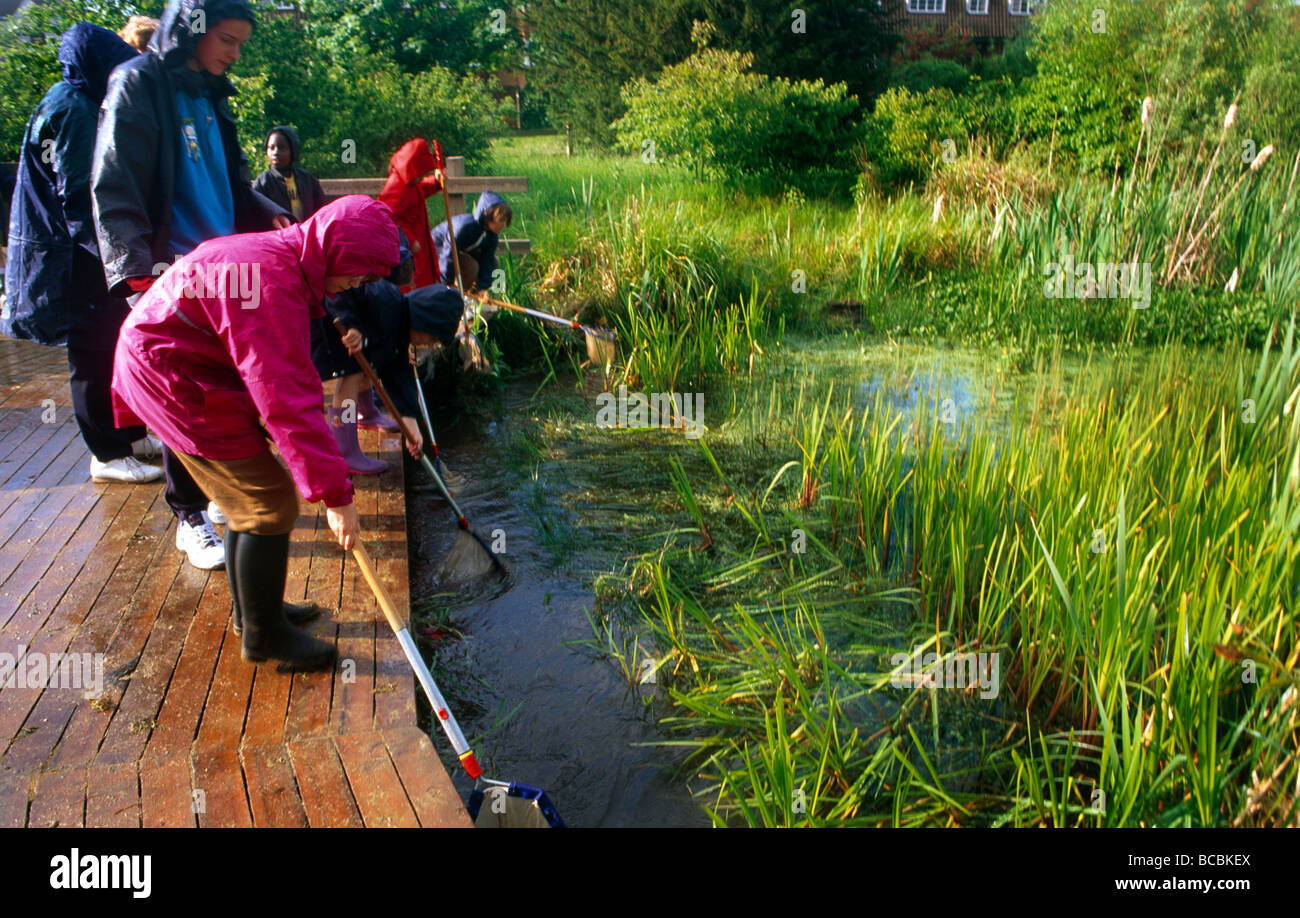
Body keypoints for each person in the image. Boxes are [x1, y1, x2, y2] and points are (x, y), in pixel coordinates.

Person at [111, 195, 409, 668]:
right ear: (338, 249)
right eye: (361, 271)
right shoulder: (272, 281)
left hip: (188, 367)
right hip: (174, 378)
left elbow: (280, 384)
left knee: (245, 503)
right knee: (267, 502)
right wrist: (337, 496)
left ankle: (254, 612)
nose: (358, 282)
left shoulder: (283, 259)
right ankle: (265, 634)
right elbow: (286, 397)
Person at [92, 0, 292, 570]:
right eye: (227, 40)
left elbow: (228, 181)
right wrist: (136, 280)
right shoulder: (137, 85)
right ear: (192, 30)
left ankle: (222, 493)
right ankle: (189, 516)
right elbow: (114, 185)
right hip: (169, 271)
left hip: (226, 268)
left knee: (227, 392)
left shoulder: (211, 95)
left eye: (239, 43)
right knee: (184, 395)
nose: (233, 53)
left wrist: (264, 210)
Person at [0, 23, 161, 484]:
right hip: (75, 261)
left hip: (84, 255)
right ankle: (106, 453)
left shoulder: (76, 99)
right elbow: (79, 197)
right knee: (90, 355)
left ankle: (128, 434)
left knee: (114, 346)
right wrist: (112, 259)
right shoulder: (73, 109)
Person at [312, 233, 458, 475]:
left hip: (356, 343)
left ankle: (366, 412)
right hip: (326, 331)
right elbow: (344, 291)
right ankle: (345, 449)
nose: (426, 344)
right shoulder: (384, 299)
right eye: (431, 338)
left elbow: (400, 376)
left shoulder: (399, 334)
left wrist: (410, 423)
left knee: (371, 362)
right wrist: (352, 325)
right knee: (351, 376)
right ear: (424, 322)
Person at [432, 189, 511, 295]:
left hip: (459, 251)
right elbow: (448, 253)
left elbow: (487, 259)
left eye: (506, 220)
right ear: (488, 216)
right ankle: (456, 296)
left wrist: (482, 288)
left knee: (493, 262)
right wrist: (448, 283)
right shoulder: (464, 227)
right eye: (501, 220)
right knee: (471, 267)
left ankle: (473, 295)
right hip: (438, 249)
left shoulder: (492, 235)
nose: (504, 224)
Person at [252, 125, 327, 222]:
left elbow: (322, 210)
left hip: (307, 232)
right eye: (271, 148)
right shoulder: (263, 182)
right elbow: (255, 216)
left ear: (292, 150)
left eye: (281, 148)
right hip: (277, 235)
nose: (275, 152)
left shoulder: (307, 180)